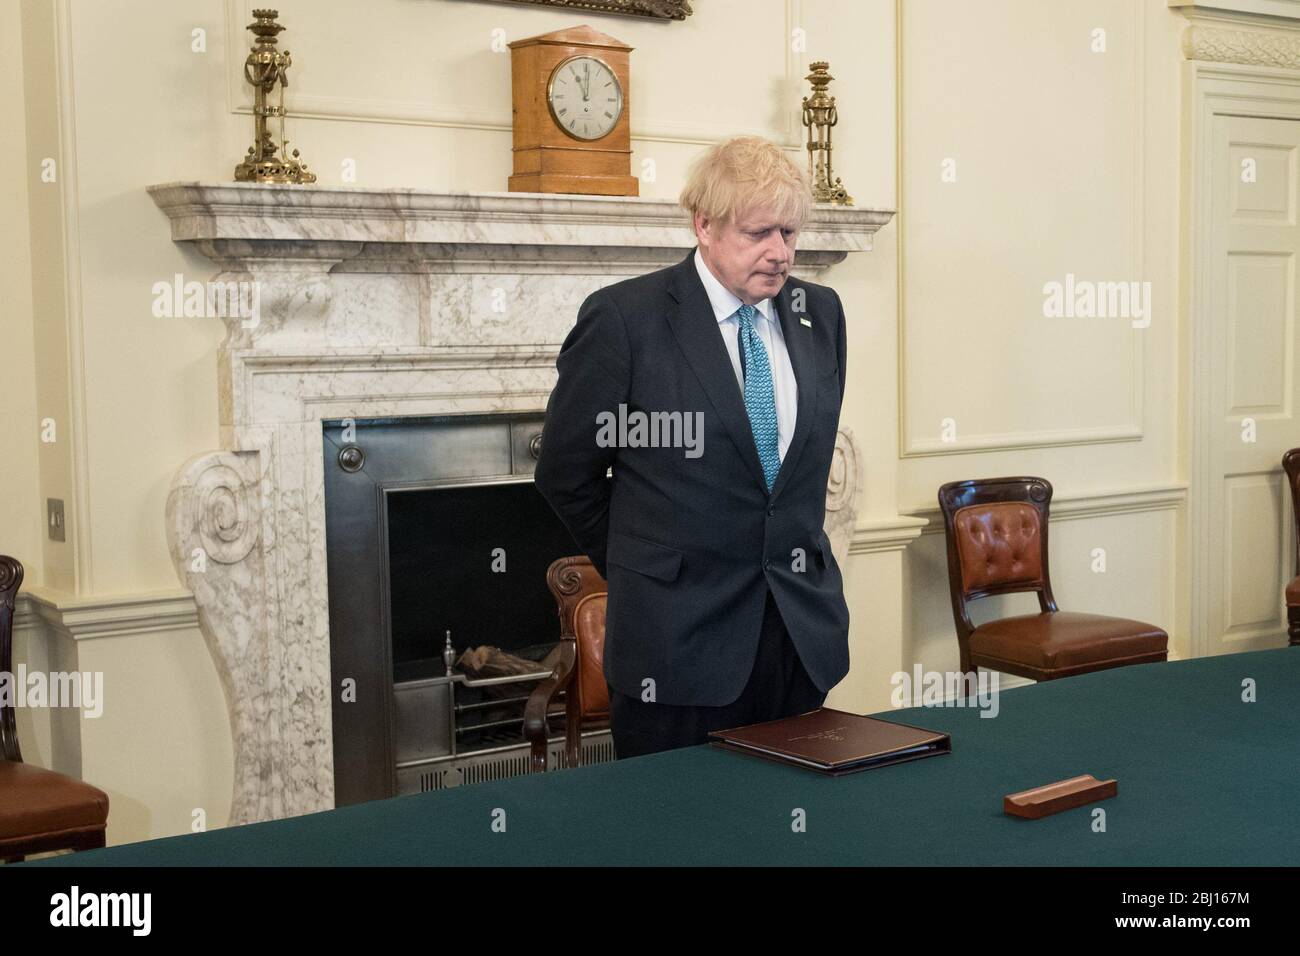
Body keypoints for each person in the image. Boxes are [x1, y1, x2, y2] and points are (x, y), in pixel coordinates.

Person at [534, 135, 850, 758]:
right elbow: (566, 472)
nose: (780, 253)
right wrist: (649, 562)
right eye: (759, 233)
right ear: (703, 226)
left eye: (790, 234)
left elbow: (796, 474)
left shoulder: (823, 313)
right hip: (675, 650)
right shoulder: (626, 320)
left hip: (796, 637)